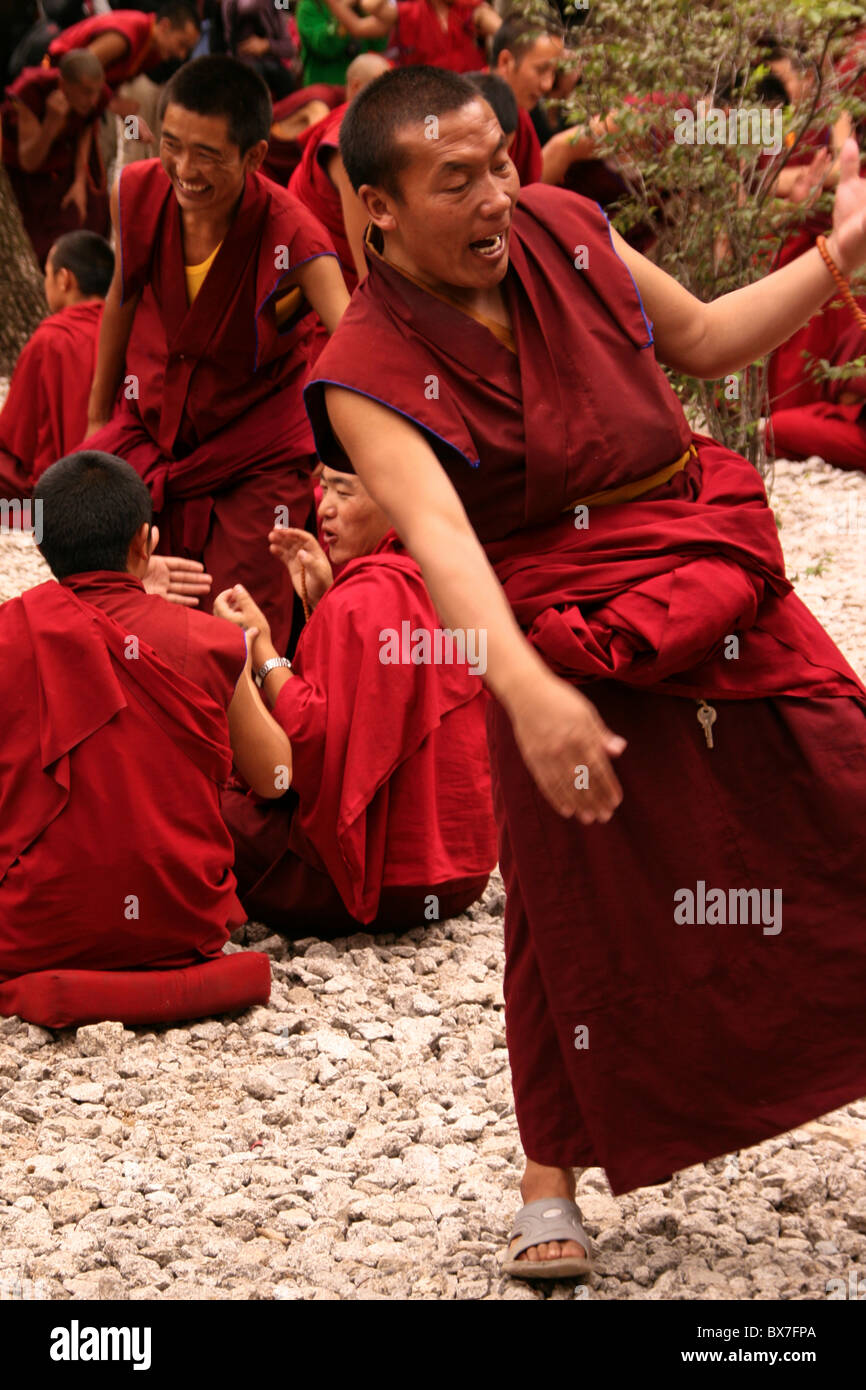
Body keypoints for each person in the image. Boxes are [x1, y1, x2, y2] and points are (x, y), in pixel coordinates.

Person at [303, 66, 866, 1277]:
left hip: (695, 557)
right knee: (570, 884)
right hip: (548, 618)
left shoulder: (565, 228)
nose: (498, 194)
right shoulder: (364, 366)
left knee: (837, 761)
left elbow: (706, 337)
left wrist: (836, 258)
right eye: (456, 180)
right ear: (375, 207)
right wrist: (526, 687)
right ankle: (547, 1173)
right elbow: (442, 544)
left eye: (501, 162)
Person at [0, 450, 291, 1027]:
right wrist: (256, 655)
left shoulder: (11, 636)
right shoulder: (207, 641)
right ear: (147, 541)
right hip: (180, 927)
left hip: (33, 932)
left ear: (37, 544)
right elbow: (275, 777)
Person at [83, 55, 351, 654]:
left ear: (255, 156)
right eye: (173, 144)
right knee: (97, 567)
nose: (184, 169)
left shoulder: (295, 236)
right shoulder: (140, 189)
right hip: (150, 425)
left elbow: (356, 343)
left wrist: (337, 452)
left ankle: (243, 739)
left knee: (240, 617)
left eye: (207, 154)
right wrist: (99, 419)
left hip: (254, 446)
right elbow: (121, 297)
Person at [217, 464, 497, 933]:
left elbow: (305, 751)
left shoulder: (365, 597)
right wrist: (329, 594)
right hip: (463, 876)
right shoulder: (459, 576)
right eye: (323, 487)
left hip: (370, 883)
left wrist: (259, 646)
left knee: (196, 802)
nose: (322, 507)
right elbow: (387, 694)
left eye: (343, 492)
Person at [0, 231, 114, 501]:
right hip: (121, 475)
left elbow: (17, 434)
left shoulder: (51, 338)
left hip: (62, 482)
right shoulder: (129, 331)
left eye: (47, 274)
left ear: (65, 279)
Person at [287, 52, 391, 287]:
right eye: (383, 89)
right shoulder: (346, 142)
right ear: (356, 88)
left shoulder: (370, 129)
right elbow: (367, 258)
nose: (393, 100)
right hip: (320, 284)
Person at [2, 50, 111, 265]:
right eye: (86, 92)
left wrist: (80, 182)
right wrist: (51, 124)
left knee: (93, 215)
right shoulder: (32, 91)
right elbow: (29, 161)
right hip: (28, 176)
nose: (93, 100)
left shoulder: (94, 98)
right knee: (44, 244)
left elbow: (86, 127)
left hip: (66, 165)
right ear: (63, 85)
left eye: (97, 92)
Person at [47, 3, 201, 91]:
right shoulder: (128, 34)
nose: (181, 55)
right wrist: (115, 106)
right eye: (182, 44)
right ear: (164, 26)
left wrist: (133, 125)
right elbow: (79, 73)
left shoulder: (153, 51)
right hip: (53, 82)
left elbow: (118, 97)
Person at [296, 0, 394, 88]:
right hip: (326, 88)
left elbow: (379, 45)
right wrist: (343, 10)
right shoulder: (309, 6)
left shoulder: (360, 4)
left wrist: (372, 10)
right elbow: (325, 47)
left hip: (360, 87)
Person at [220, 0, 299, 100]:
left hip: (274, 67)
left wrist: (267, 45)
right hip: (244, 66)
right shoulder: (231, 4)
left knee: (284, 79)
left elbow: (290, 49)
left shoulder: (277, 5)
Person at [393, 0, 499, 74]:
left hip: (471, 91)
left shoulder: (469, 7)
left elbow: (501, 30)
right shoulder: (410, 12)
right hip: (428, 96)